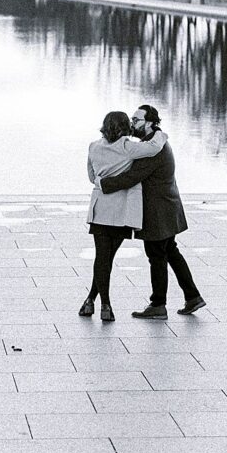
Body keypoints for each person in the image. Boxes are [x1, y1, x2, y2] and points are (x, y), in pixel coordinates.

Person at [99, 103, 207, 318]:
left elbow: (132, 176)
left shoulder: (153, 148)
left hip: (158, 213)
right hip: (167, 207)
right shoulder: (154, 142)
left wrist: (103, 184)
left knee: (156, 256)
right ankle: (193, 297)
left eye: (137, 120)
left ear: (149, 123)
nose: (132, 124)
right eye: (132, 119)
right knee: (171, 253)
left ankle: (158, 304)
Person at [81, 111, 167, 321]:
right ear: (125, 127)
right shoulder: (127, 147)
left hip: (100, 210)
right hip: (121, 213)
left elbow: (92, 177)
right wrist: (161, 133)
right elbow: (154, 147)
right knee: (108, 258)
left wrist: (103, 180)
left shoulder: (93, 146)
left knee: (102, 258)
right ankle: (97, 303)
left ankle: (98, 303)